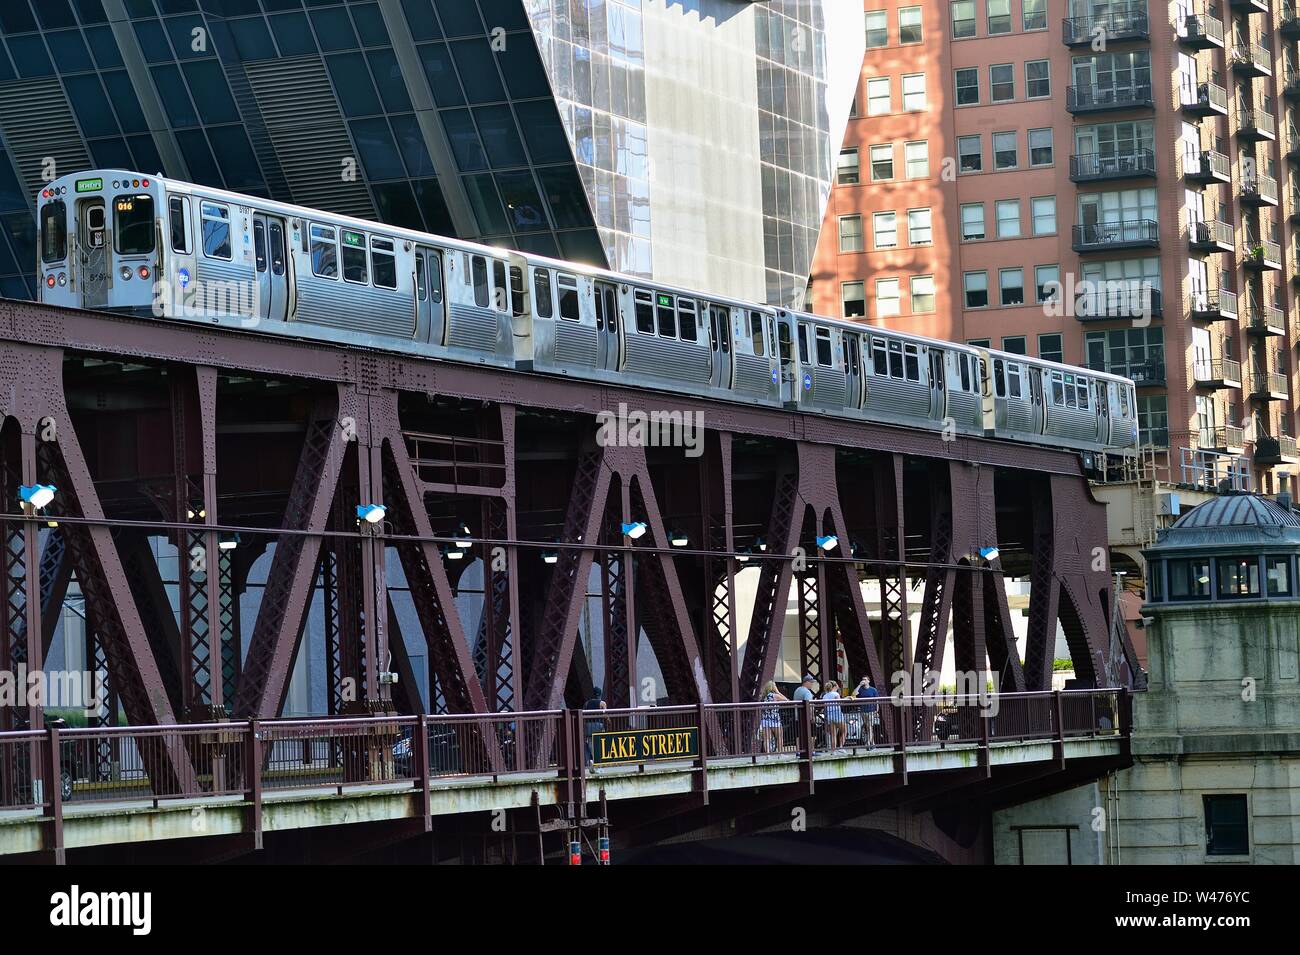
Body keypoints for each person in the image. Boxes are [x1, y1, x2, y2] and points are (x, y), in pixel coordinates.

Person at [758, 680, 787, 754]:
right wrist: (778, 692)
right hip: (775, 719)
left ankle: (768, 755)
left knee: (766, 739)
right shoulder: (775, 696)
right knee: (779, 737)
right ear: (773, 687)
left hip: (765, 720)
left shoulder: (763, 697)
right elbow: (786, 700)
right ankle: (780, 754)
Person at [855, 675, 880, 749]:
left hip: (871, 710)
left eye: (865, 679)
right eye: (863, 679)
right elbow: (854, 694)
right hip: (863, 711)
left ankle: (868, 743)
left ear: (868, 681)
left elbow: (877, 700)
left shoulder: (873, 690)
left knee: (869, 727)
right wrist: (859, 685)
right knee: (867, 727)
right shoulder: (860, 689)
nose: (864, 681)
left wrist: (876, 710)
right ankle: (873, 744)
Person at [583, 687, 607, 763]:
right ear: (600, 694)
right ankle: (598, 759)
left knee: (590, 742)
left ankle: (591, 759)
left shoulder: (587, 703)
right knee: (601, 741)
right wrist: (609, 721)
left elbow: (583, 715)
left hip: (589, 725)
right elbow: (605, 715)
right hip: (598, 724)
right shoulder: (602, 703)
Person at [822, 681, 846, 753]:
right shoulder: (836, 694)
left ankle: (833, 750)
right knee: (844, 730)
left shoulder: (825, 696)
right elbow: (839, 702)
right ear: (835, 686)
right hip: (837, 713)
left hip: (829, 715)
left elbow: (824, 706)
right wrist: (847, 698)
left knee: (833, 734)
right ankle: (841, 747)